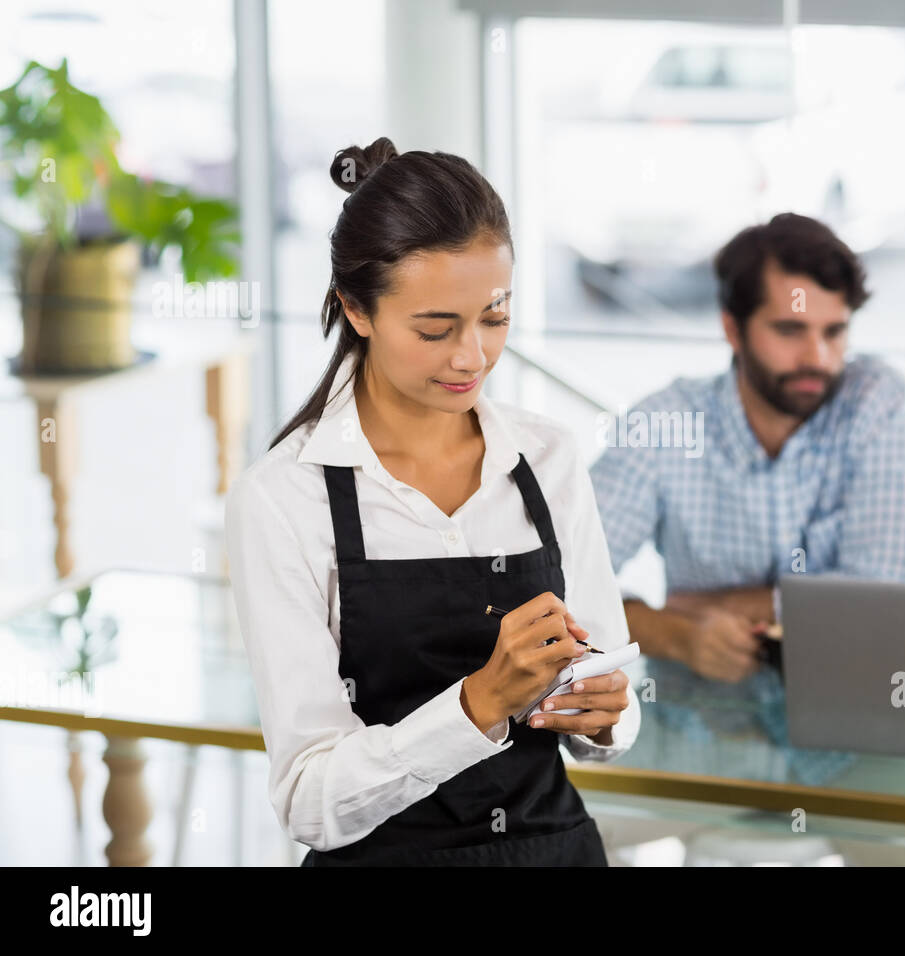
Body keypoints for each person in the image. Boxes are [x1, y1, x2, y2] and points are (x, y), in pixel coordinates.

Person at [224, 137, 638, 866]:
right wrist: (479, 702)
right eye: (435, 328)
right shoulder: (283, 498)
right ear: (357, 309)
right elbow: (310, 802)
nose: (471, 355)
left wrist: (603, 717)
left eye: (495, 316)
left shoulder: (548, 458)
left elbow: (609, 702)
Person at [589, 212, 905, 683]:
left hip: (852, 708)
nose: (818, 357)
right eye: (790, 330)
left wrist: (711, 606)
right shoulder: (664, 423)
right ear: (733, 329)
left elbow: (890, 598)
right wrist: (674, 633)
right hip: (703, 721)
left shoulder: (878, 401)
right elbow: (564, 581)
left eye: (834, 331)